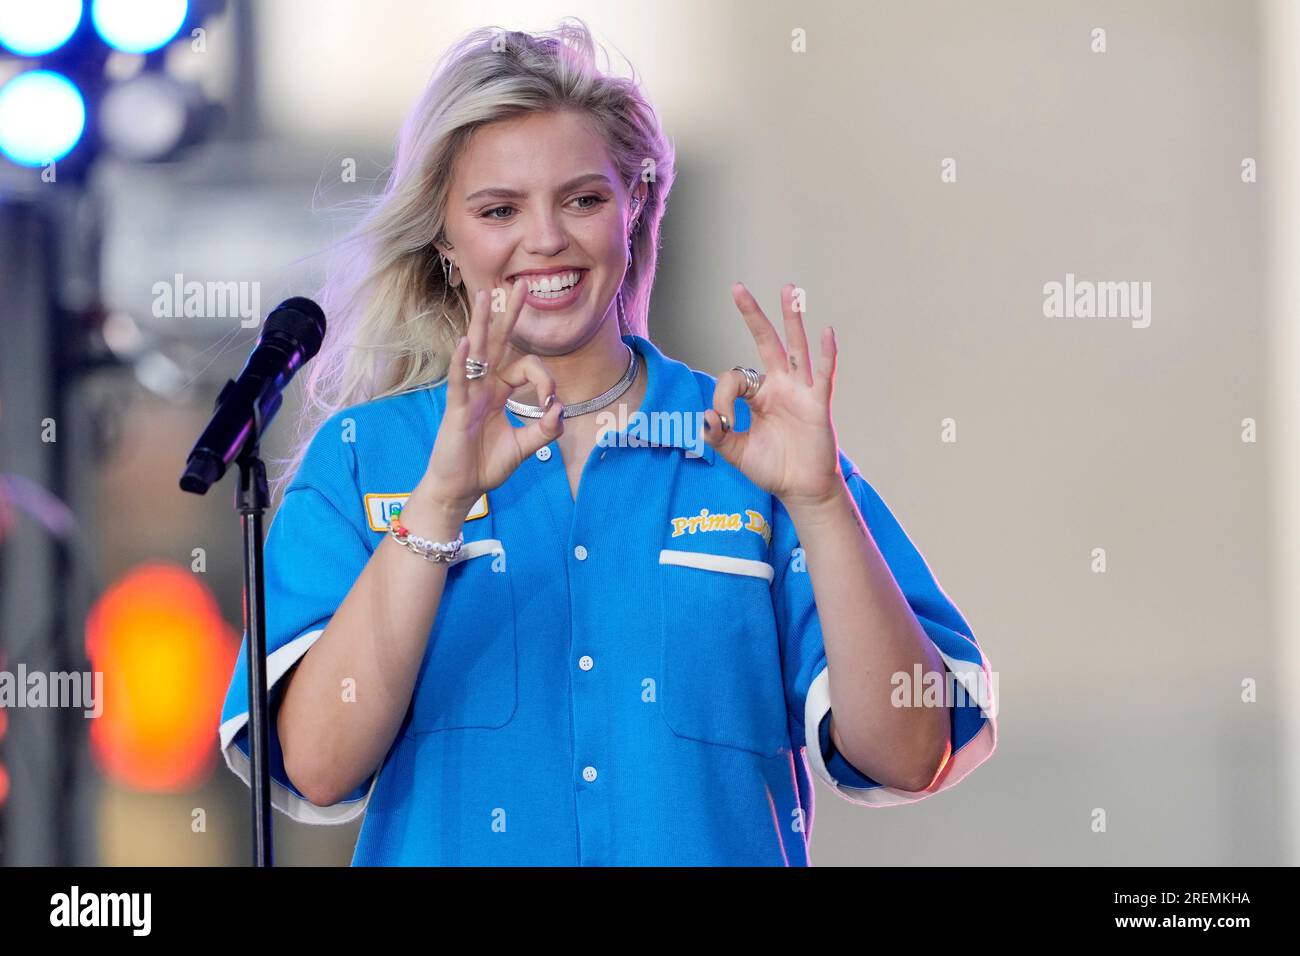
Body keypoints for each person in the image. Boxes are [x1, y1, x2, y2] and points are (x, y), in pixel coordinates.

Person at [217, 19, 996, 866]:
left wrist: (820, 501)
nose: (546, 239)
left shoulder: (754, 446)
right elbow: (318, 768)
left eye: (583, 199)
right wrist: (436, 507)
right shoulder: (366, 454)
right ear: (444, 239)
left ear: (636, 208)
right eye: (498, 209)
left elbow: (913, 754)